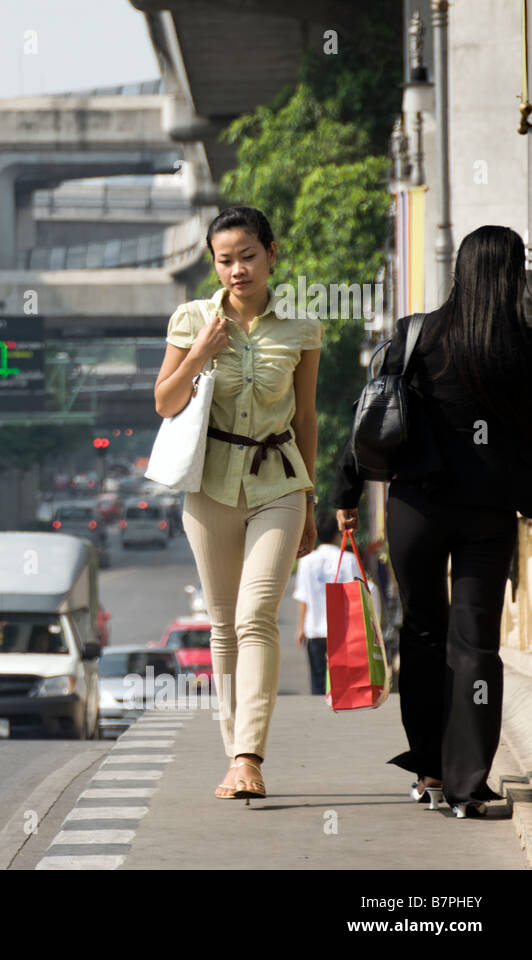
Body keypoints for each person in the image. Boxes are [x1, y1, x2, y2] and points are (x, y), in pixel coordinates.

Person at [331, 225, 532, 818]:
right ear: (515, 272)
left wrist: (346, 488)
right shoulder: (522, 347)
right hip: (488, 518)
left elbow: (371, 410)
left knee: (420, 633)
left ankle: (428, 774)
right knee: (477, 646)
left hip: (415, 509)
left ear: (460, 270)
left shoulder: (418, 335)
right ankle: (470, 785)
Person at [153, 206, 322, 802]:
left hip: (278, 483)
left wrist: (311, 495)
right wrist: (199, 353)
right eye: (225, 260)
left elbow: (305, 417)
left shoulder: (302, 328)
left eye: (248, 256)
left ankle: (249, 755)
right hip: (209, 487)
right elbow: (165, 402)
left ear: (272, 253)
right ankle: (234, 754)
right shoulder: (191, 318)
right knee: (222, 625)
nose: (237, 270)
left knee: (256, 617)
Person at [292, 513, 381, 695]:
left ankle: (318, 708)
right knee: (342, 679)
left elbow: (303, 597)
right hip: (343, 630)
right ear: (337, 534)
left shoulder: (307, 561)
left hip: (314, 628)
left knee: (318, 679)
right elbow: (359, 591)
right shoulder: (348, 559)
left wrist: (301, 628)